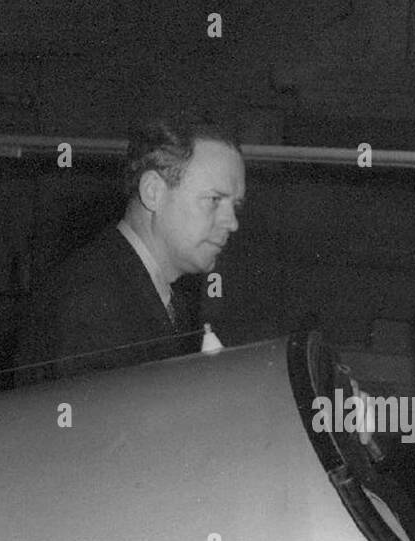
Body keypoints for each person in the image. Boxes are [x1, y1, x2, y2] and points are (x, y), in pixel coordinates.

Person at [15, 108, 245, 380]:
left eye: (235, 205)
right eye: (214, 200)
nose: (232, 223)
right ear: (153, 192)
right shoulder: (92, 304)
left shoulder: (152, 293)